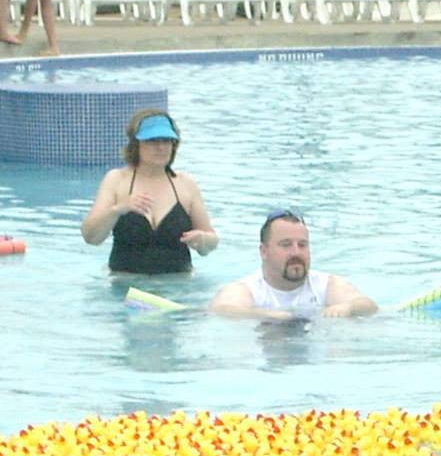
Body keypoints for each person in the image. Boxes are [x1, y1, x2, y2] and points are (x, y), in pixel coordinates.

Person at [81, 108, 219, 275]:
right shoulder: (116, 180)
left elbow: (211, 242)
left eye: (166, 141)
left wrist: (203, 240)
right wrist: (116, 210)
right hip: (125, 284)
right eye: (152, 141)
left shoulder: (186, 184)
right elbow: (91, 238)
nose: (160, 147)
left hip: (177, 285)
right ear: (136, 144)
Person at [211, 210, 376, 319]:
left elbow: (368, 306)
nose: (296, 252)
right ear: (264, 251)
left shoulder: (325, 284)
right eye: (286, 245)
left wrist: (348, 308)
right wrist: (268, 316)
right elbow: (223, 310)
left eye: (302, 245)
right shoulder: (248, 290)